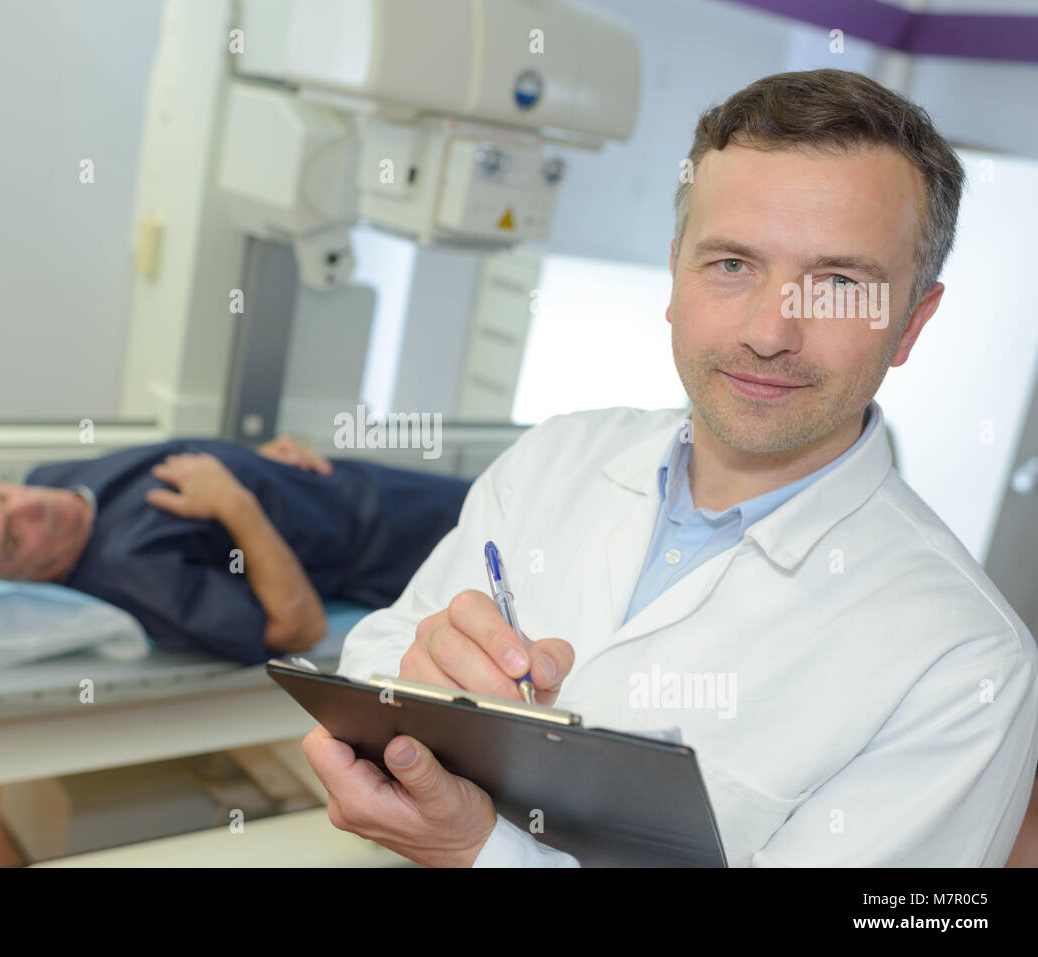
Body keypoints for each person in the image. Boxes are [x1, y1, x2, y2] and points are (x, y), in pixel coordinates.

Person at [303, 68, 1038, 867]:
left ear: (912, 323)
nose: (769, 332)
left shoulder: (964, 661)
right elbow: (378, 658)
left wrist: (479, 850)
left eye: (836, 284)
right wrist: (416, 684)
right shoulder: (560, 455)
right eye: (732, 264)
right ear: (676, 270)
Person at [0, 434, 470, 664]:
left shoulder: (49, 475)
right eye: (12, 538)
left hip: (377, 485)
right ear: (20, 580)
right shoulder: (130, 569)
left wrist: (256, 460)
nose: (29, 507)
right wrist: (238, 503)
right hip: (406, 550)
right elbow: (298, 629)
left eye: (1, 496)